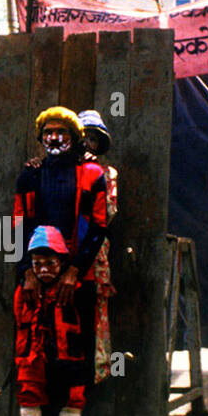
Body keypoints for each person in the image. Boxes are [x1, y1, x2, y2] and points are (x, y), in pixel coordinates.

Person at [0, 106, 107, 416]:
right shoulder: (29, 175)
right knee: (32, 351)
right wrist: (26, 271)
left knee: (75, 352)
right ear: (40, 137)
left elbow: (99, 224)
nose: (54, 137)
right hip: (35, 277)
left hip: (79, 278)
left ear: (74, 138)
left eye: (62, 131)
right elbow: (18, 224)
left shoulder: (92, 174)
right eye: (48, 131)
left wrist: (74, 270)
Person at [14, 226, 92, 416]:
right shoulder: (25, 291)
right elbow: (20, 322)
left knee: (74, 394)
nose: (44, 269)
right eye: (38, 264)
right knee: (29, 390)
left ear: (62, 263)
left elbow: (86, 322)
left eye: (51, 263)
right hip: (33, 353)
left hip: (70, 353)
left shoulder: (75, 289)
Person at [78, 109, 118, 384]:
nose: (86, 144)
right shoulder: (56, 168)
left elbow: (107, 212)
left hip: (93, 254)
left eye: (92, 138)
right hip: (59, 253)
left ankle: (94, 377)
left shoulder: (106, 173)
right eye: (82, 137)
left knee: (93, 314)